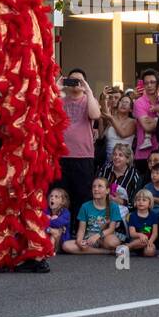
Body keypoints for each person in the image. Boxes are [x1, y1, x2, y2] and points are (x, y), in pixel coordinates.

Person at [57, 70, 101, 221]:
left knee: (82, 195)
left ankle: (81, 229)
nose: (76, 83)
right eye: (72, 80)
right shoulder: (61, 100)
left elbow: (95, 115)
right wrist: (57, 89)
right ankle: (63, 228)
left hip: (83, 155)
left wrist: (87, 91)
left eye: (79, 80)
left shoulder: (89, 99)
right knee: (62, 195)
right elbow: (47, 112)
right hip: (62, 155)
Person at [63, 177, 124, 255]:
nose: (96, 189)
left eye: (100, 186)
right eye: (94, 186)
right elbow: (81, 229)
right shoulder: (85, 206)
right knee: (66, 246)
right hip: (88, 239)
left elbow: (111, 229)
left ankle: (92, 249)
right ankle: (106, 252)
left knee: (113, 242)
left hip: (103, 238)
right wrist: (79, 241)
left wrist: (97, 236)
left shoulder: (113, 207)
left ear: (107, 190)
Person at [131, 68, 159, 167]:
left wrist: (154, 121)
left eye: (152, 82)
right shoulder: (139, 102)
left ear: (158, 83)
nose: (149, 85)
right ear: (143, 85)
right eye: (146, 83)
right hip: (143, 154)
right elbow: (147, 127)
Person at [125, 188, 159, 257]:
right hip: (135, 241)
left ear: (150, 203)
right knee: (144, 240)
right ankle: (128, 247)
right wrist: (140, 235)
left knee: (150, 252)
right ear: (135, 202)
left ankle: (132, 249)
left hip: (148, 241)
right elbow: (132, 233)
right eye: (138, 200)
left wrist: (151, 241)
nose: (141, 202)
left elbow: (155, 233)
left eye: (144, 200)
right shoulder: (132, 216)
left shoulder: (153, 215)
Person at [46, 186, 71, 252]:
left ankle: (50, 251)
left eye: (56, 197)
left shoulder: (66, 213)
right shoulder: (46, 211)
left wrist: (49, 220)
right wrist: (49, 229)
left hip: (61, 242)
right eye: (51, 196)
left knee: (57, 230)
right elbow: (39, 222)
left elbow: (58, 223)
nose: (52, 198)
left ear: (62, 201)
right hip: (48, 236)